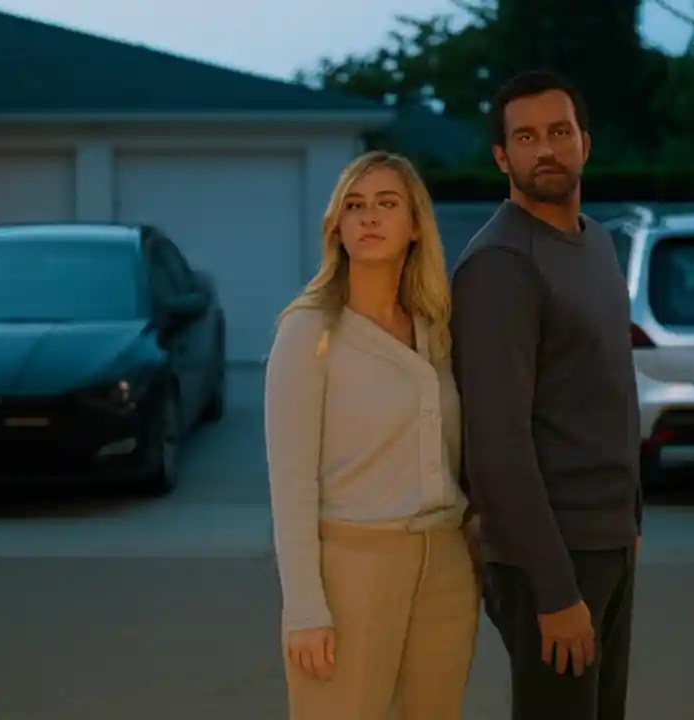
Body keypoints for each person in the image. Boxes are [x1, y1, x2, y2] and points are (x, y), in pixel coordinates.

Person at [450, 69, 644, 719]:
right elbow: (496, 448)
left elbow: (610, 386)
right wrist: (555, 590)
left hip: (606, 542)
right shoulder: (501, 265)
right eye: (526, 136)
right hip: (549, 559)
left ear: (585, 143)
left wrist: (630, 518)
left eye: (559, 132)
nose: (546, 149)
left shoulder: (598, 246)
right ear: (503, 157)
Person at [263, 150, 480, 719]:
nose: (369, 217)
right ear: (337, 228)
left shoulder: (436, 330)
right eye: (354, 206)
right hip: (352, 569)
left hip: (446, 568)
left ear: (414, 227)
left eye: (387, 204)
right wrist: (304, 609)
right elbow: (290, 486)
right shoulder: (309, 331)